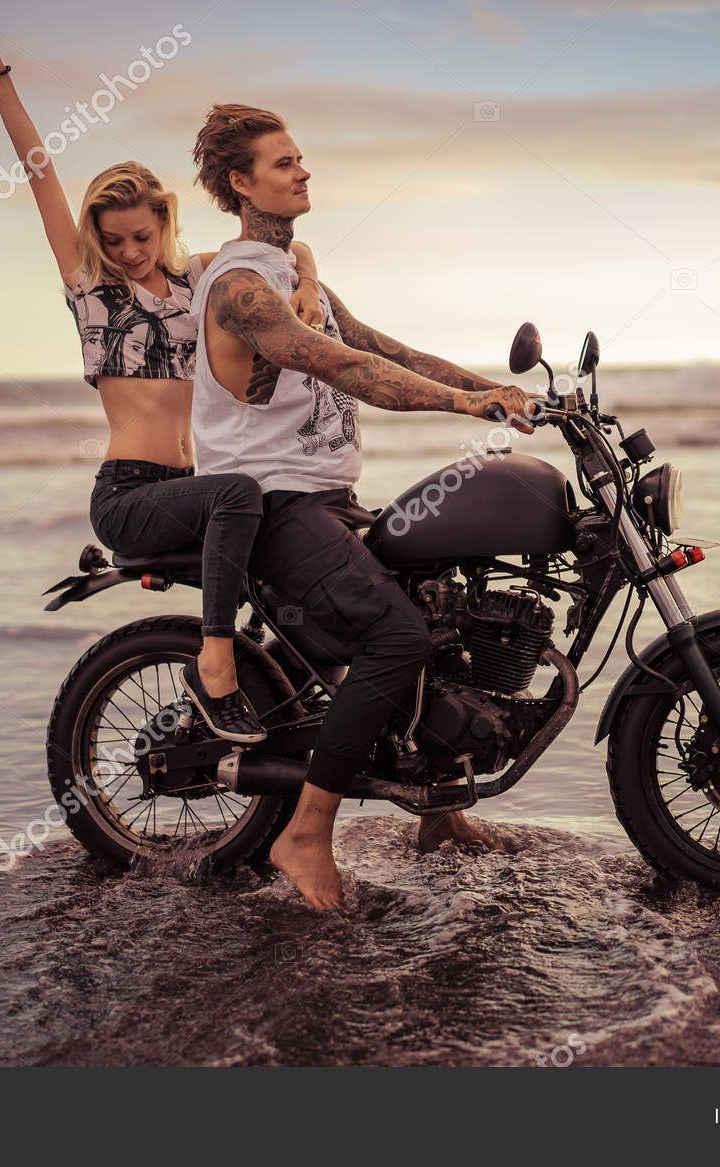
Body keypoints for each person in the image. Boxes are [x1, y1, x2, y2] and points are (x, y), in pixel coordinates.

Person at [189, 104, 539, 910]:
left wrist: (498, 389)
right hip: (271, 504)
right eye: (284, 163)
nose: (303, 170)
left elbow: (383, 347)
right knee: (398, 633)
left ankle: (439, 814)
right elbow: (343, 368)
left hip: (326, 498)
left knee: (443, 606)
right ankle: (305, 833)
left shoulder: (296, 275)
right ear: (241, 183)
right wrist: (469, 410)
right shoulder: (241, 288)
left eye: (301, 157)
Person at [0, 4, 325, 741]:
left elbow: (276, 245)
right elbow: (39, 172)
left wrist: (307, 273)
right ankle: (215, 665)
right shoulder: (91, 289)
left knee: (301, 533)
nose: (128, 252)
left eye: (140, 236)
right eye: (113, 240)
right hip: (129, 496)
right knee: (244, 491)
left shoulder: (197, 278)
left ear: (164, 220)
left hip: (193, 489)